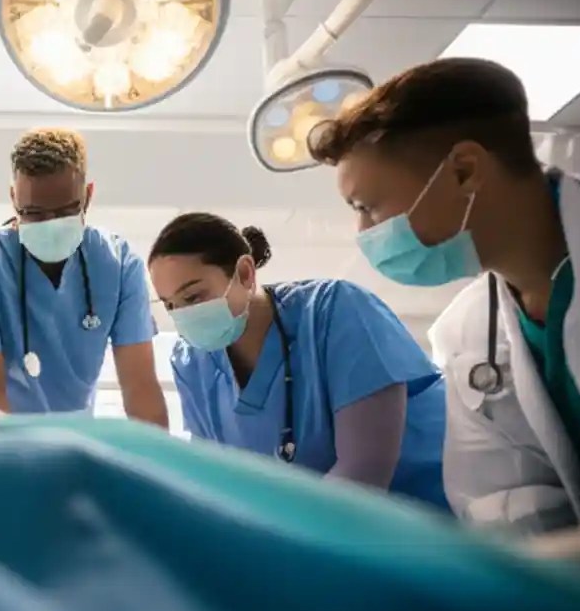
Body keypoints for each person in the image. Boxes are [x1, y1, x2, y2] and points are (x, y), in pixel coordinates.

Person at [308, 57, 580, 536]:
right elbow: (506, 515)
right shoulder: (467, 335)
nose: (364, 232)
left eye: (368, 207)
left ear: (463, 170)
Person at [149, 213, 450, 509]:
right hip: (319, 529)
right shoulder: (192, 364)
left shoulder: (336, 312)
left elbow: (364, 474)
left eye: (193, 297)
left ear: (244, 273)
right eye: (170, 305)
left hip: (434, 514)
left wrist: (272, 535)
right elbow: (212, 483)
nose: (183, 315)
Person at [0, 127, 169, 426]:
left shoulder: (118, 263)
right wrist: (6, 455)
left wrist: (159, 454)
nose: (50, 224)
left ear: (87, 195)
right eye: (34, 213)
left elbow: (140, 389)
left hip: (73, 435)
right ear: (13, 199)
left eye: (66, 211)